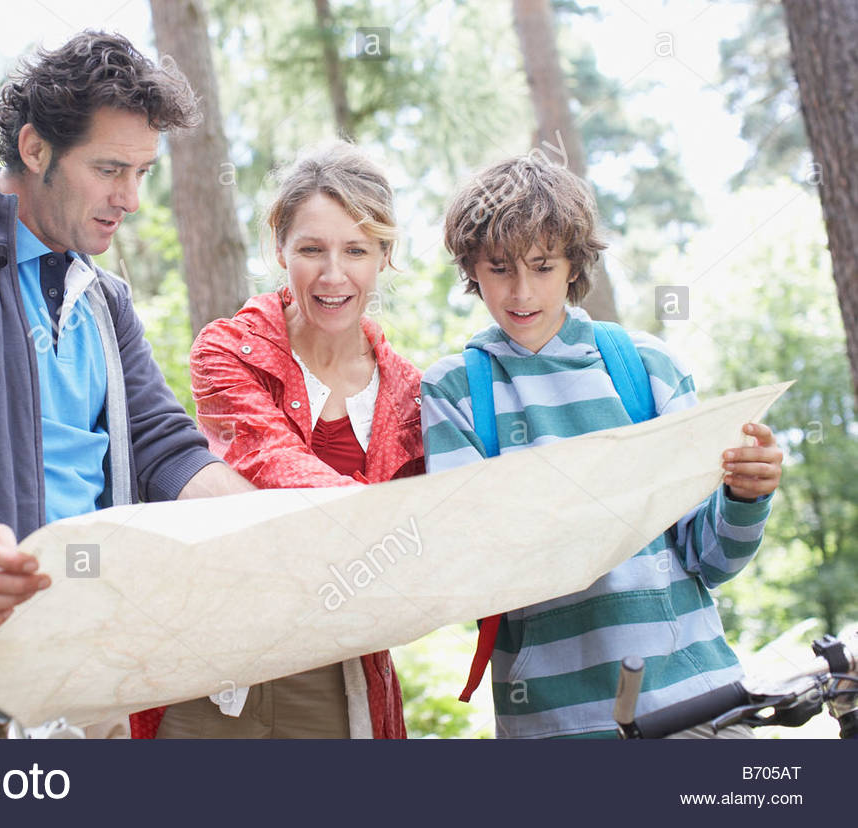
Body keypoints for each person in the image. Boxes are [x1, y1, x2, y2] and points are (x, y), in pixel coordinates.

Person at [0, 30, 254, 660]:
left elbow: (162, 445)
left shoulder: (105, 299)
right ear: (34, 148)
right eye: (109, 170)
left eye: (141, 173)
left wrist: (272, 538)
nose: (130, 200)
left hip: (81, 643)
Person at [420, 154, 783, 739]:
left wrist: (745, 498)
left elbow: (710, 560)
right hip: (554, 724)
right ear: (471, 270)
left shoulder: (647, 367)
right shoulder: (455, 391)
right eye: (499, 268)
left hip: (698, 707)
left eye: (542, 265)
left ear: (573, 264)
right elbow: (473, 567)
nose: (521, 291)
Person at [135, 141, 424, 739]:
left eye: (357, 251)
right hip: (211, 659)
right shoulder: (228, 351)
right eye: (311, 249)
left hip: (332, 672)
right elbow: (274, 463)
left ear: (384, 257)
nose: (333, 274)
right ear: (280, 249)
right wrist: (377, 526)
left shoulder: (410, 398)